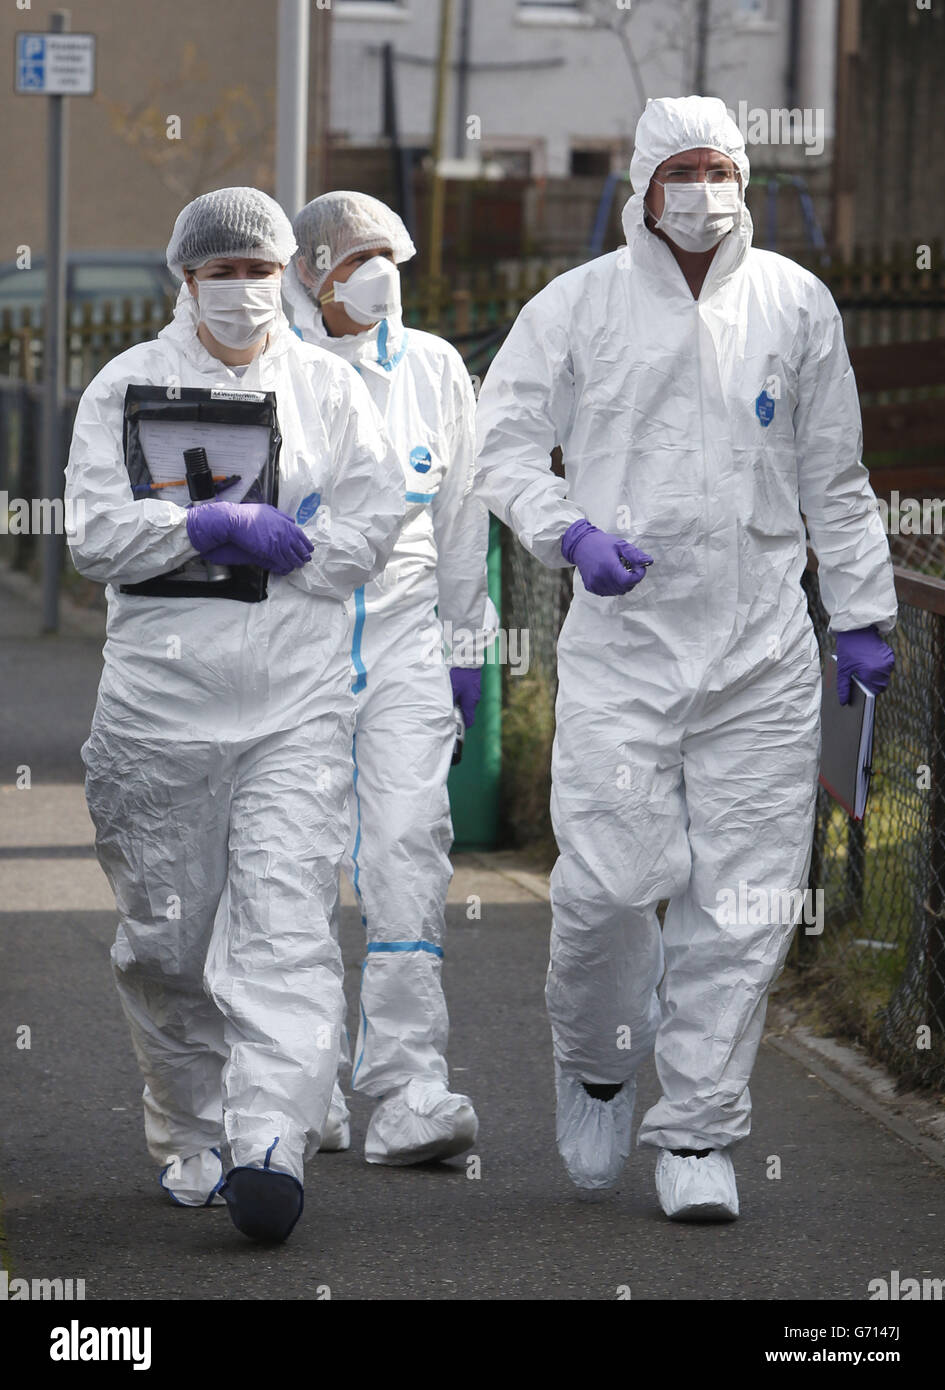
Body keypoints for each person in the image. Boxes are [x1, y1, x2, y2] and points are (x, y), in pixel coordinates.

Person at [473, 97, 897, 1221]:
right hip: (624, 646)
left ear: (744, 178)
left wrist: (859, 610)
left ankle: (699, 1131)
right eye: (683, 168)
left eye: (721, 167)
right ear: (645, 184)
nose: (704, 188)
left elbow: (834, 473)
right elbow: (501, 442)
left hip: (759, 647)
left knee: (746, 898)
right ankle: (602, 1058)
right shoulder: (578, 307)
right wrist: (567, 531)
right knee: (609, 886)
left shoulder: (793, 304)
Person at [64, 187, 405, 1243]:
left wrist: (303, 561)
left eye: (260, 272)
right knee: (167, 944)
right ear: (186, 280)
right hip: (159, 715)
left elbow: (376, 513)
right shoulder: (126, 387)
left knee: (287, 924)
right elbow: (92, 535)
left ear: (287, 277)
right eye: (223, 273)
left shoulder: (330, 388)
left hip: (291, 710)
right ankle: (189, 1131)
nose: (244, 291)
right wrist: (204, 525)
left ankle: (268, 1139)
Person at [284, 191, 495, 1164]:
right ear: (314, 275)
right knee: (288, 863)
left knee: (407, 848)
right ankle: (299, 1084)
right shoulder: (275, 376)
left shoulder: (434, 368)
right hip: (300, 648)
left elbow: (461, 518)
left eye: (390, 255)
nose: (379, 273)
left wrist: (467, 649)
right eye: (358, 258)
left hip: (408, 642)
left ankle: (411, 1087)